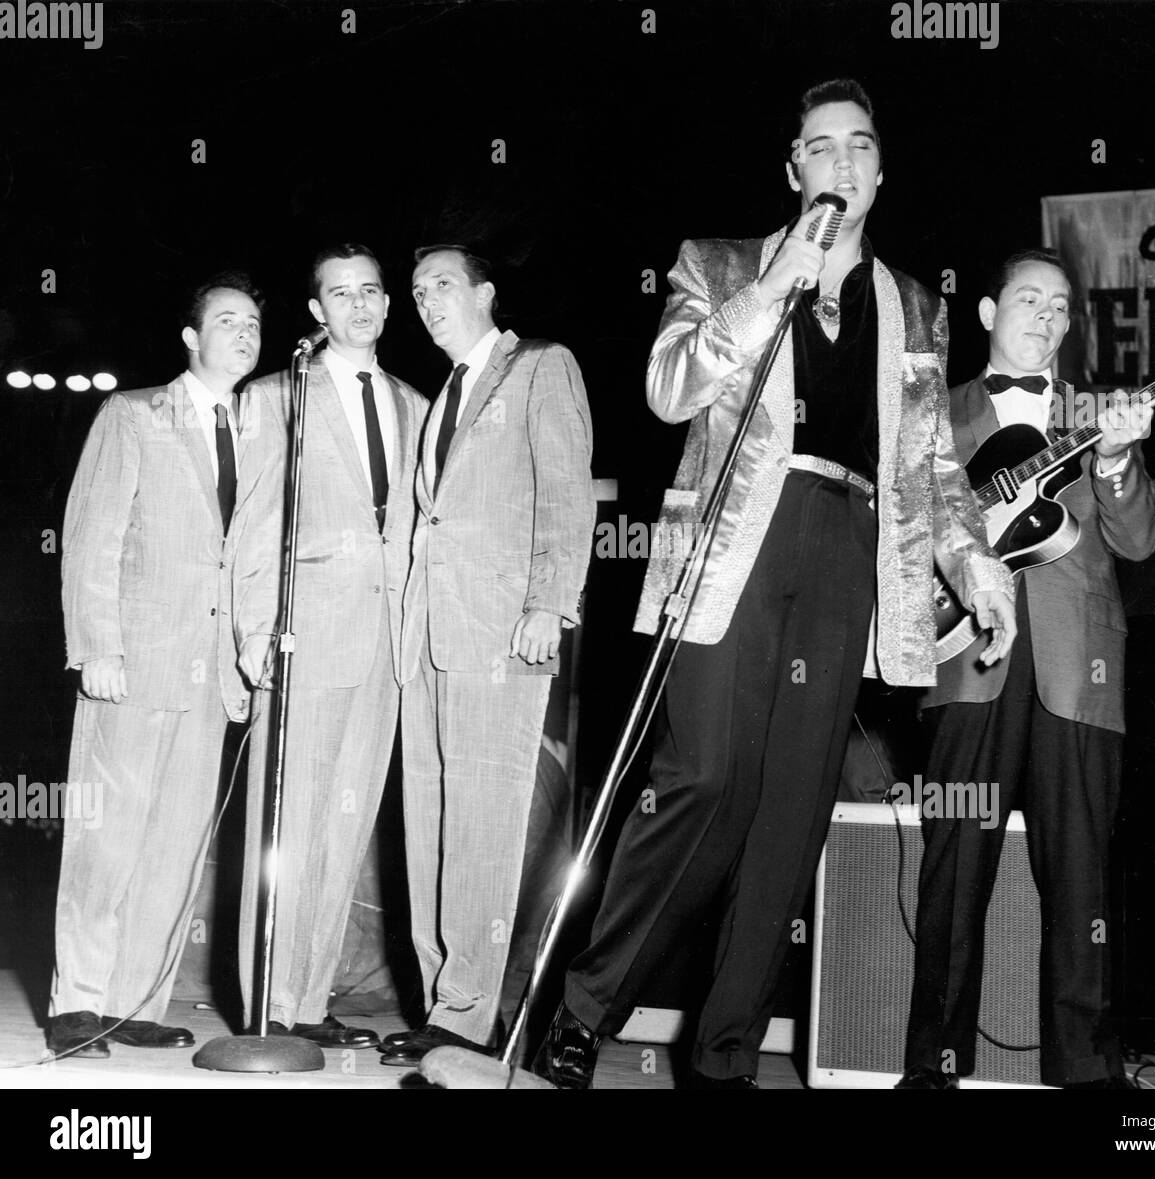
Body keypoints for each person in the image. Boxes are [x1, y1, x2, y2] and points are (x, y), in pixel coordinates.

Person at [533, 78, 1016, 1090]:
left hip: (845, 549)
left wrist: (975, 568)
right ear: (793, 170)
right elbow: (670, 391)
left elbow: (928, 466)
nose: (839, 164)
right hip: (730, 547)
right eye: (819, 148)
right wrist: (770, 289)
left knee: (792, 810)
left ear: (878, 171)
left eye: (858, 147)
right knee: (704, 779)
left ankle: (723, 1058)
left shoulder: (917, 307)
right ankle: (584, 1008)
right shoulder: (714, 263)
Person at [899, 248, 1155, 1089]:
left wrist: (1117, 463)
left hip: (1077, 673)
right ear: (986, 312)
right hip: (964, 665)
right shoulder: (935, 414)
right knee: (952, 876)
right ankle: (932, 1069)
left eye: (1061, 306)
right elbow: (900, 540)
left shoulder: (1099, 415)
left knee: (1081, 883)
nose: (1047, 315)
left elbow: (1141, 540)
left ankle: (1086, 1075)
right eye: (1028, 298)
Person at [377, 244, 595, 1067]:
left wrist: (549, 601)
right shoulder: (442, 398)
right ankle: (443, 1002)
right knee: (431, 824)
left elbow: (566, 489)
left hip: (502, 631)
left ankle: (469, 1011)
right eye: (418, 291)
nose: (427, 301)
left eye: (442, 285)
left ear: (486, 292)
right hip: (429, 635)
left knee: (485, 828)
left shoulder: (540, 367)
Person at [48, 272, 261, 1057]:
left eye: (252, 323)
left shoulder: (263, 428)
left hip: (211, 677)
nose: (243, 333)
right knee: (110, 837)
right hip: (133, 662)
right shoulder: (133, 413)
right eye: (227, 320)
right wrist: (96, 645)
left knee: (175, 844)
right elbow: (92, 537)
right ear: (190, 338)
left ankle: (134, 997)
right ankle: (79, 999)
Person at [230, 244, 424, 1048]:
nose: (359, 306)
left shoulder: (417, 402)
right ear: (316, 311)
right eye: (340, 294)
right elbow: (251, 523)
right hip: (301, 635)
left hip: (385, 645)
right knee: (289, 827)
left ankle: (308, 999)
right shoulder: (281, 395)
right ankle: (266, 1002)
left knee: (344, 832)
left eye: (371, 291)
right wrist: (250, 627)